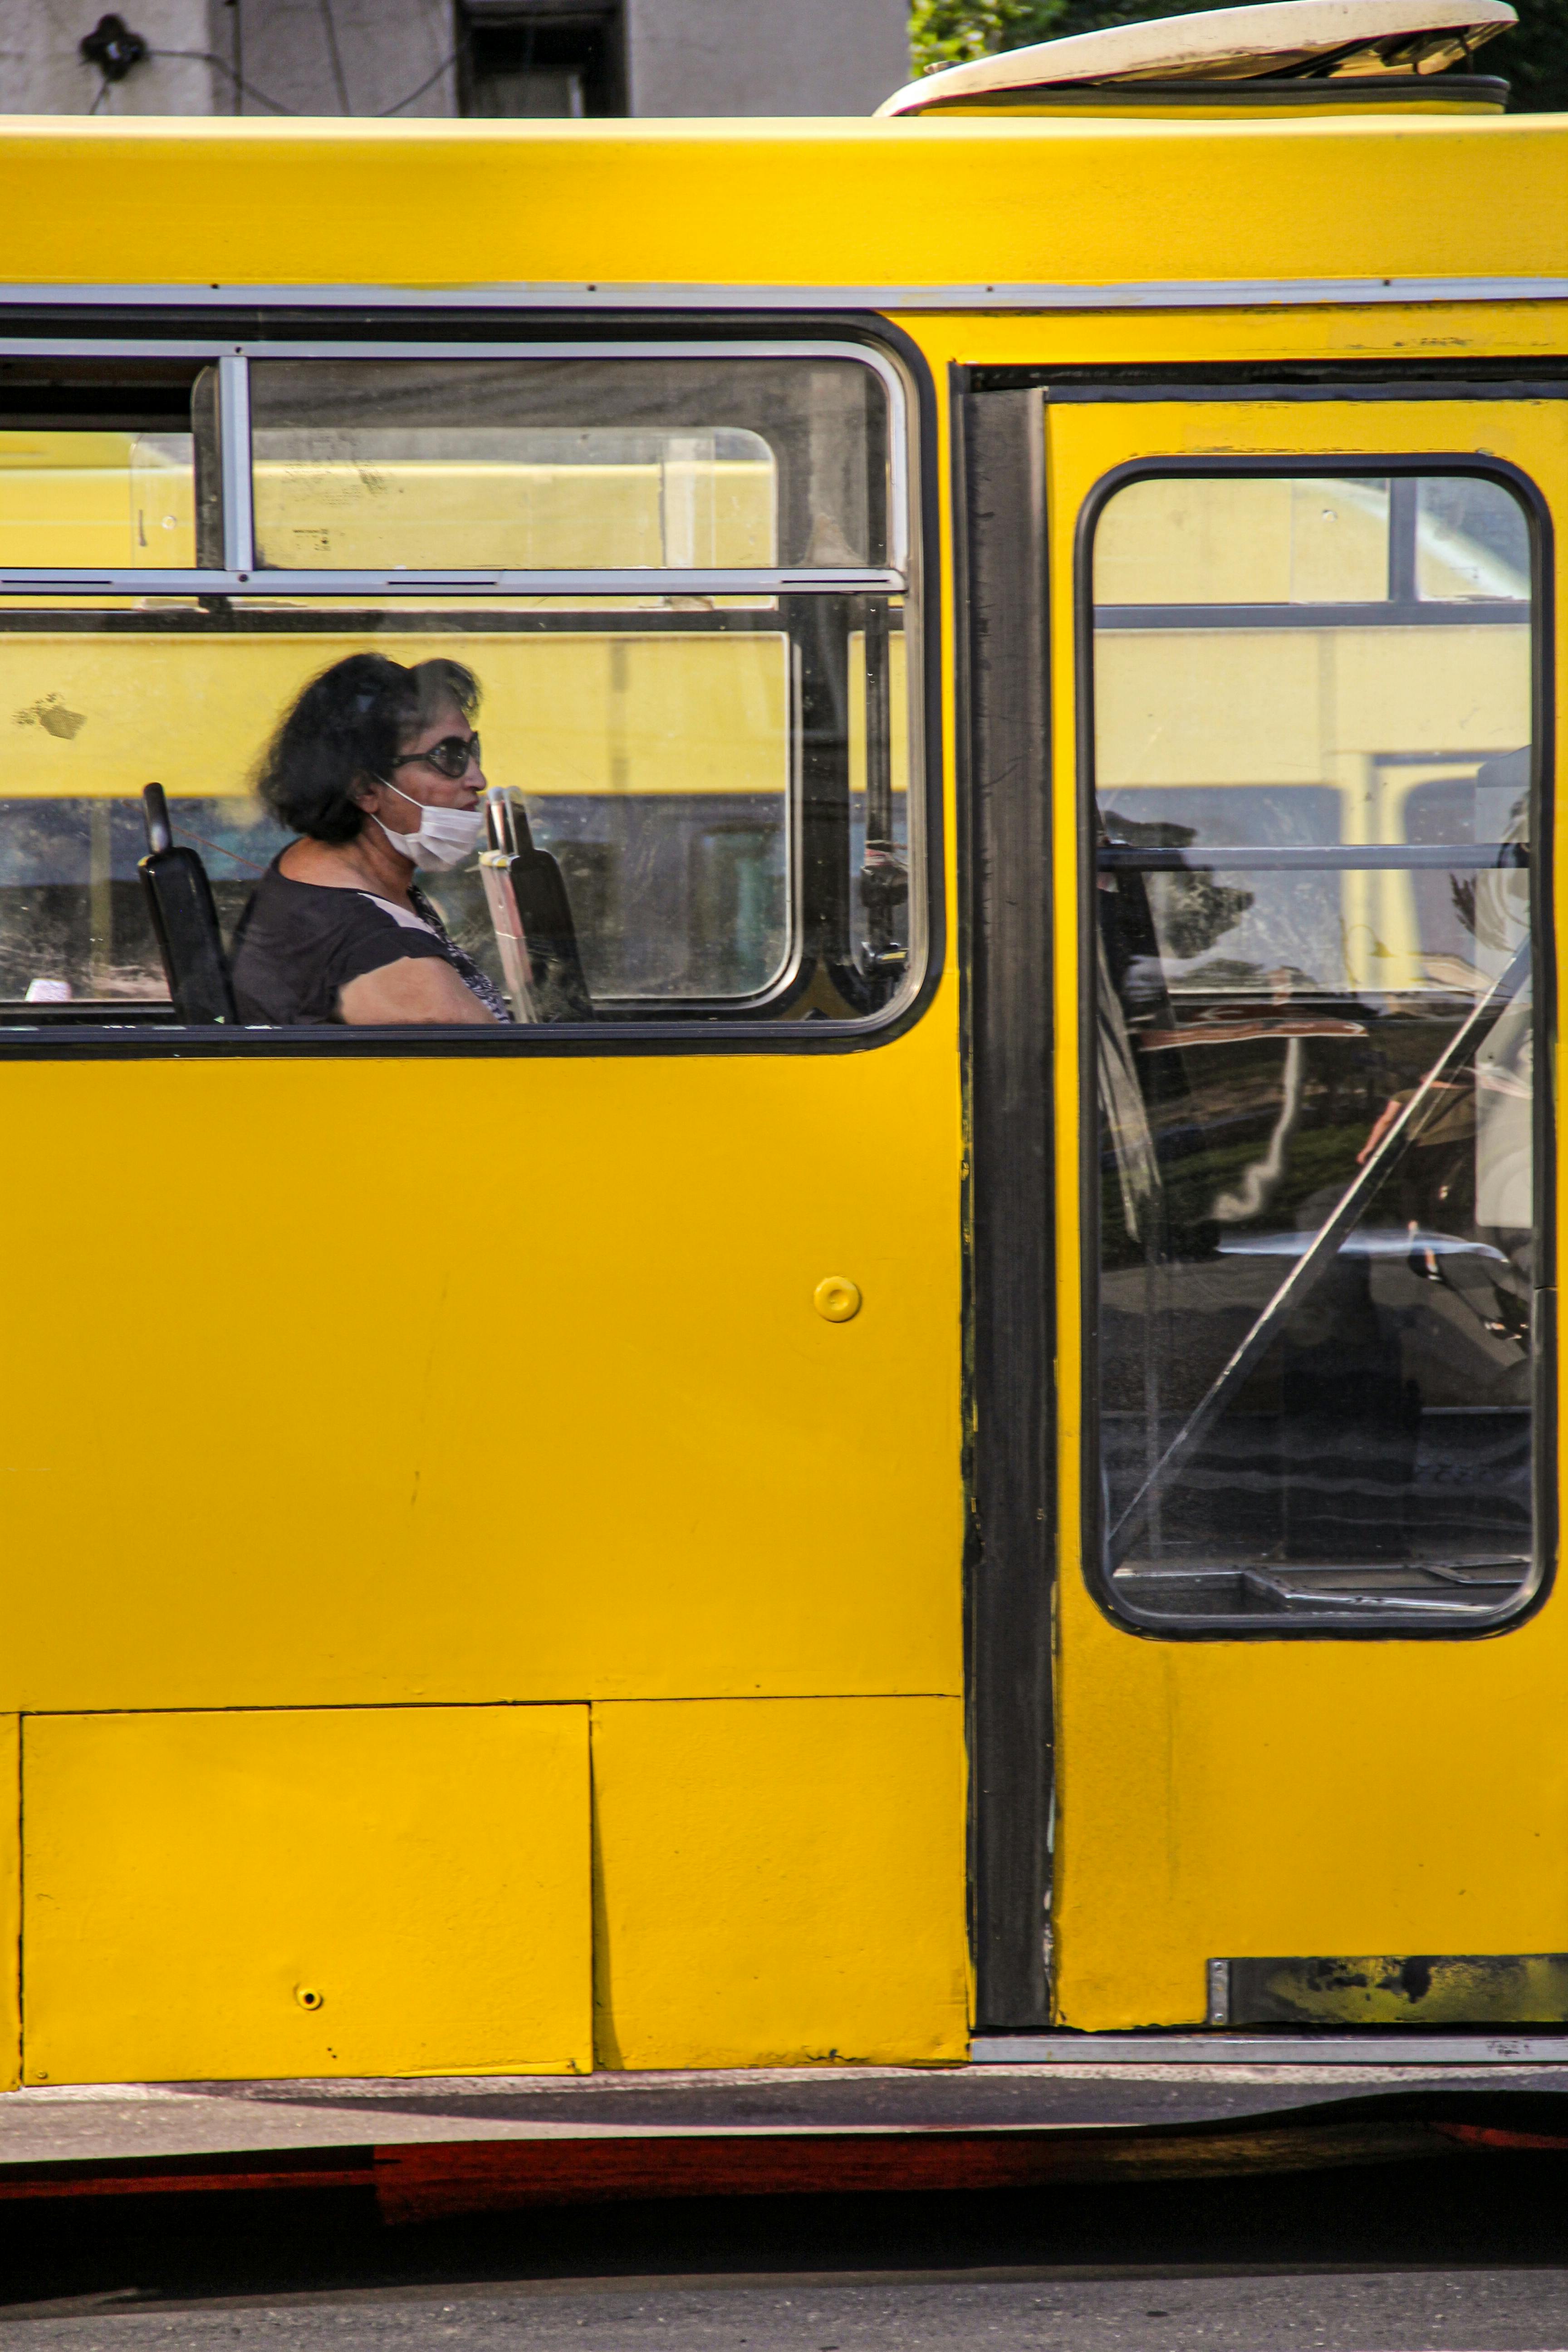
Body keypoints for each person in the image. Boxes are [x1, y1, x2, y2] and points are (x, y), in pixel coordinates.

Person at [230, 652, 510, 1026]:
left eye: (471, 750)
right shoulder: (401, 971)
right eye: (448, 756)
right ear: (364, 789)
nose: (478, 779)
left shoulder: (309, 871)